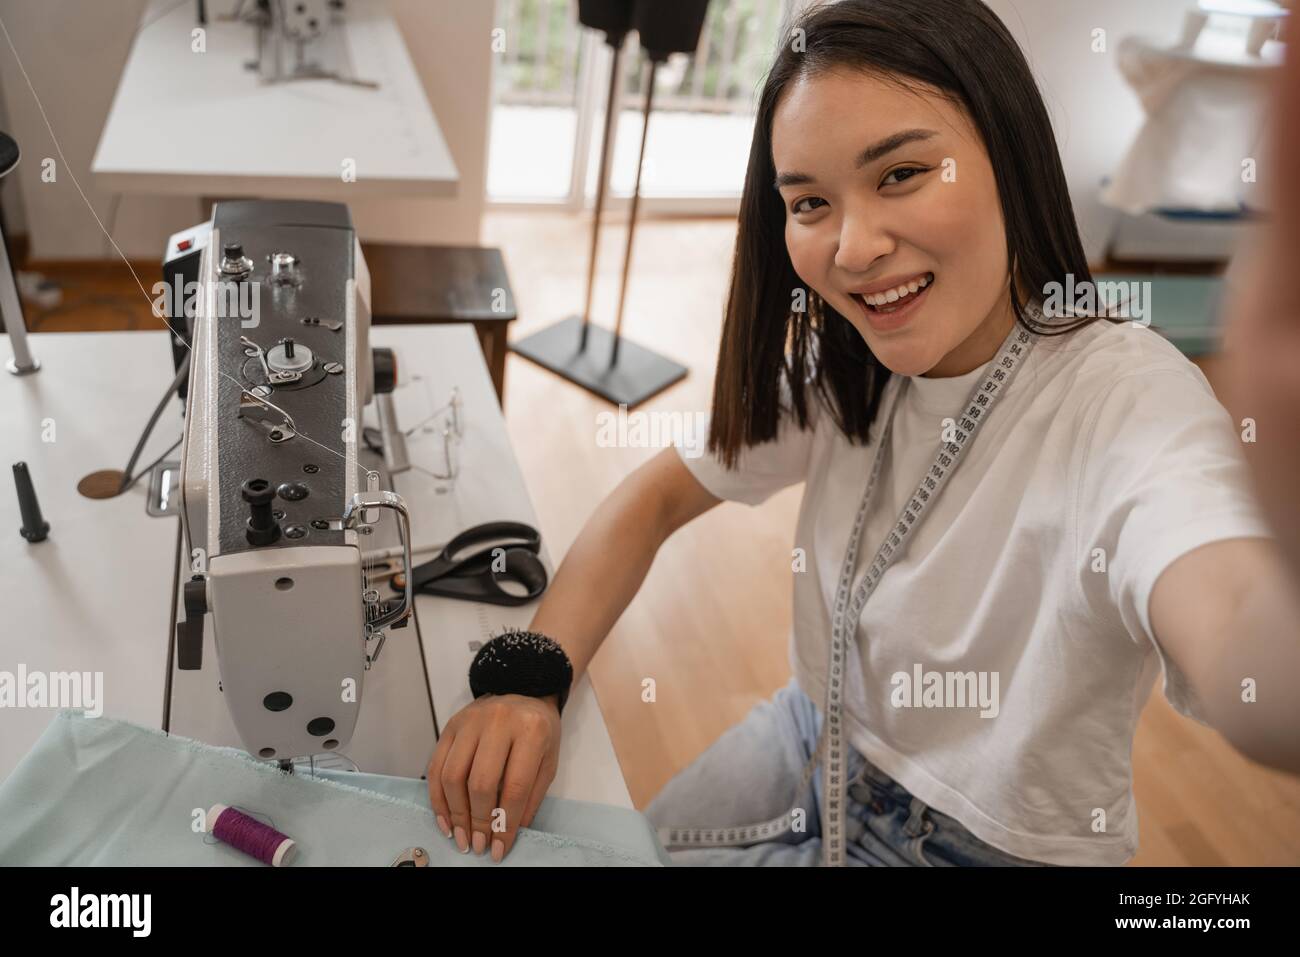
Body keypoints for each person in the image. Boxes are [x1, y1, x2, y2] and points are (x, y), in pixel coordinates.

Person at [427, 0, 1300, 865]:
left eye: (900, 175)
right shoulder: (843, 367)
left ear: (1010, 150)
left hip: (982, 841)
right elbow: (655, 497)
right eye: (810, 201)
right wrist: (527, 679)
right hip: (815, 725)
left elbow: (1239, 643)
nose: (853, 247)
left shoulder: (1128, 401)